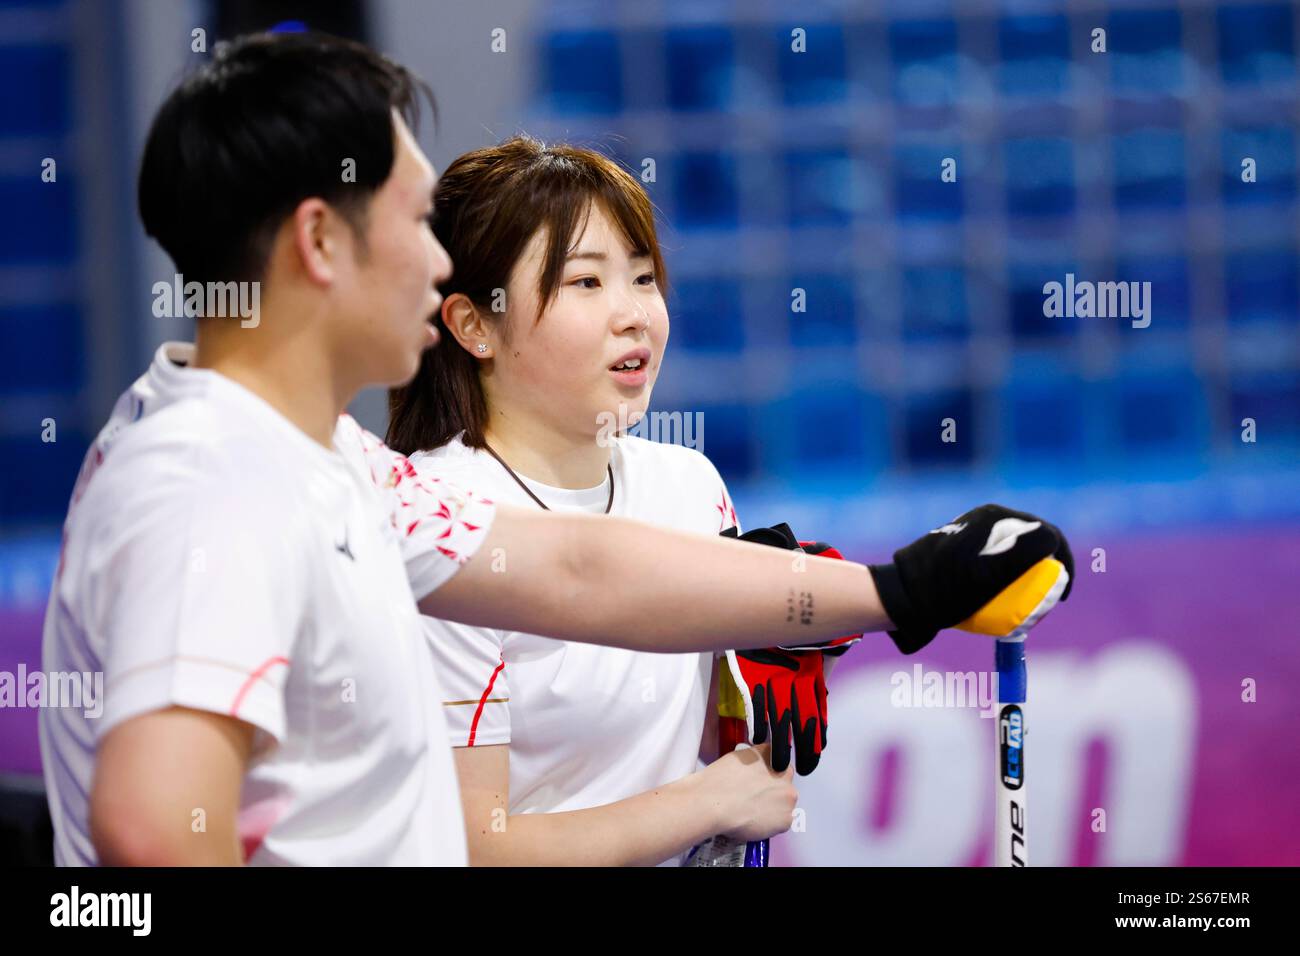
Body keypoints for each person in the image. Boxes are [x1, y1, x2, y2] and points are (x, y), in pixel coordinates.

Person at [41, 31, 1072, 866]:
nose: (441, 260)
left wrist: (901, 589)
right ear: (321, 241)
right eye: (413, 218)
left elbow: (576, 567)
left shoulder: (332, 465)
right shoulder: (210, 479)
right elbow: (152, 832)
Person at [385, 137, 865, 865]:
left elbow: (697, 739)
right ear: (473, 324)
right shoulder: (436, 517)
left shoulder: (690, 487)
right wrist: (703, 804)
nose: (634, 314)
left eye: (643, 278)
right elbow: (468, 849)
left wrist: (775, 651)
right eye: (585, 283)